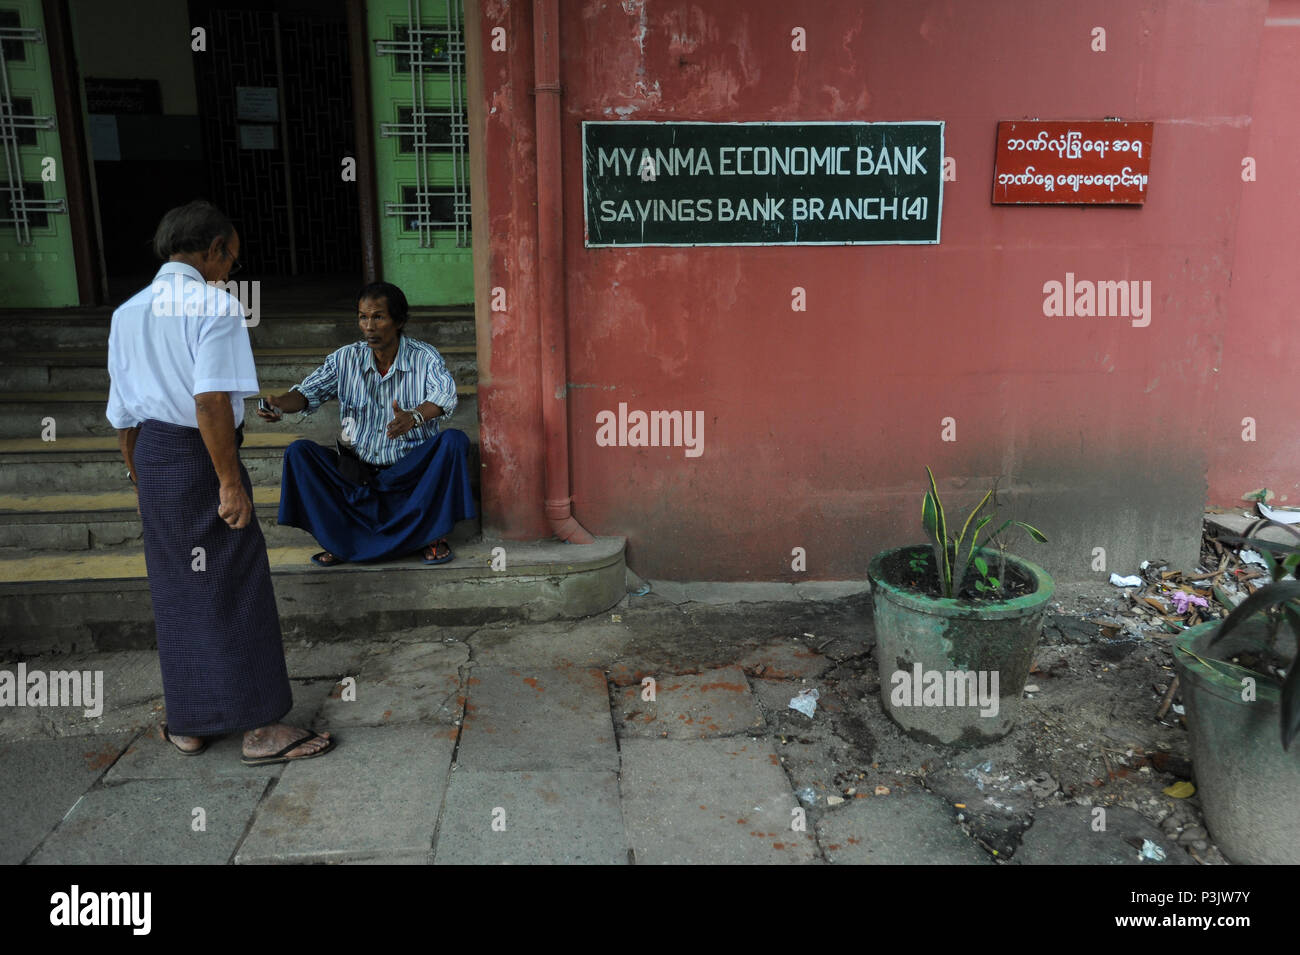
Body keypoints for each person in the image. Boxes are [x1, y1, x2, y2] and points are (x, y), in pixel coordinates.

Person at [106, 200, 333, 765]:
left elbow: (123, 416)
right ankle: (259, 729)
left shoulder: (127, 312)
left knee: (177, 590)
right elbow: (210, 401)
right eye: (231, 256)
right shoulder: (214, 304)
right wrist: (229, 483)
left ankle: (189, 722)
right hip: (200, 455)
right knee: (235, 581)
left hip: (154, 457)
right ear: (212, 251)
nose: (232, 268)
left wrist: (139, 479)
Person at [259, 281, 476, 565]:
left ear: (399, 321)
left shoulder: (424, 357)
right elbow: (307, 392)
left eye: (378, 316)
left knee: (453, 442)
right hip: (357, 474)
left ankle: (431, 535)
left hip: (410, 475)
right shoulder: (346, 358)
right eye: (363, 317)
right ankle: (338, 539)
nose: (369, 326)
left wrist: (415, 416)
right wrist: (280, 404)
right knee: (299, 454)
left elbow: (445, 395)